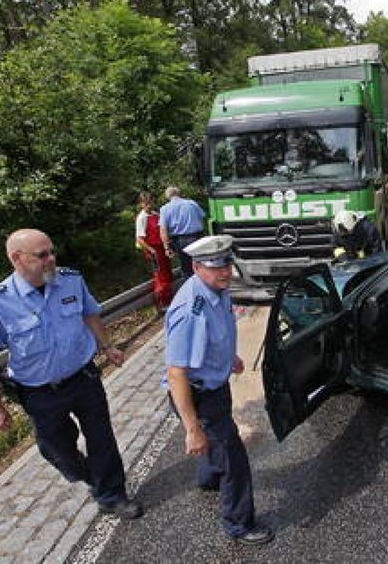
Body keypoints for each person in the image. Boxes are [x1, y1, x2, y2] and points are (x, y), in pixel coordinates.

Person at [0, 229, 143, 519]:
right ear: (17, 259)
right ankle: (93, 477)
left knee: (101, 438)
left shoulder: (70, 280)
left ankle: (112, 495)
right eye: (42, 255)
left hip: (84, 378)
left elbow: (90, 314)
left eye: (52, 252)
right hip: (39, 393)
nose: (51, 259)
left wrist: (107, 346)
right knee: (57, 451)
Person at [164, 235, 273, 546]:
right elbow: (176, 373)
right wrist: (192, 428)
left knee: (217, 445)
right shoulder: (190, 312)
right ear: (196, 267)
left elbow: (218, 333)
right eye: (215, 266)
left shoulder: (217, 288)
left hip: (214, 386)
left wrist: (229, 357)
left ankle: (209, 477)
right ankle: (239, 524)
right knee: (234, 460)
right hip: (197, 396)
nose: (225, 272)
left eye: (227, 264)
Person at [136, 192, 174, 310]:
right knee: (160, 276)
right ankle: (162, 302)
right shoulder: (141, 218)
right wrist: (151, 250)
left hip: (162, 248)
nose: (149, 205)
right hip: (153, 250)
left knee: (167, 273)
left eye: (150, 202)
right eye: (146, 203)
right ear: (141, 204)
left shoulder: (155, 214)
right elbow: (139, 239)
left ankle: (170, 299)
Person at [159, 186, 206, 278]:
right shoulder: (192, 203)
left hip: (180, 241)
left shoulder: (164, 209)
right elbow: (202, 217)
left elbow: (163, 230)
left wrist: (167, 247)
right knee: (201, 264)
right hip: (197, 237)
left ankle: (191, 283)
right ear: (178, 193)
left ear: (167, 196)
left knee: (187, 267)